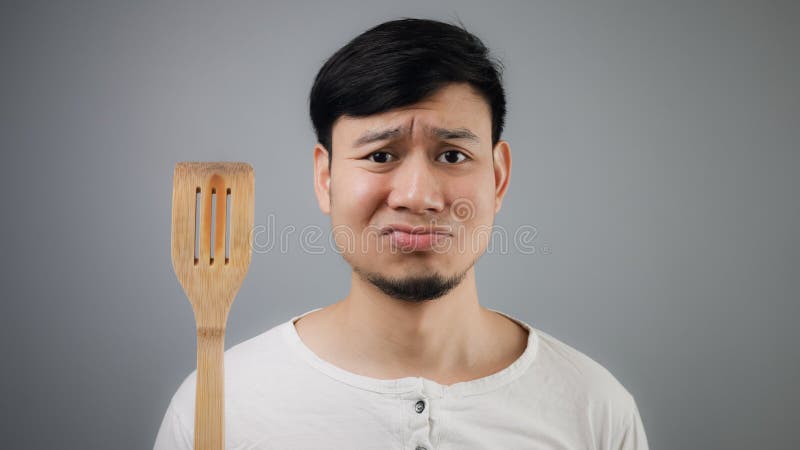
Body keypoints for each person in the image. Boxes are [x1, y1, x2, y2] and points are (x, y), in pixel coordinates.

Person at [154, 17, 649, 449]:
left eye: (452, 155)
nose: (417, 196)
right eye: (380, 156)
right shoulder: (218, 405)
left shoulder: (594, 409)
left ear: (498, 178)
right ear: (325, 179)